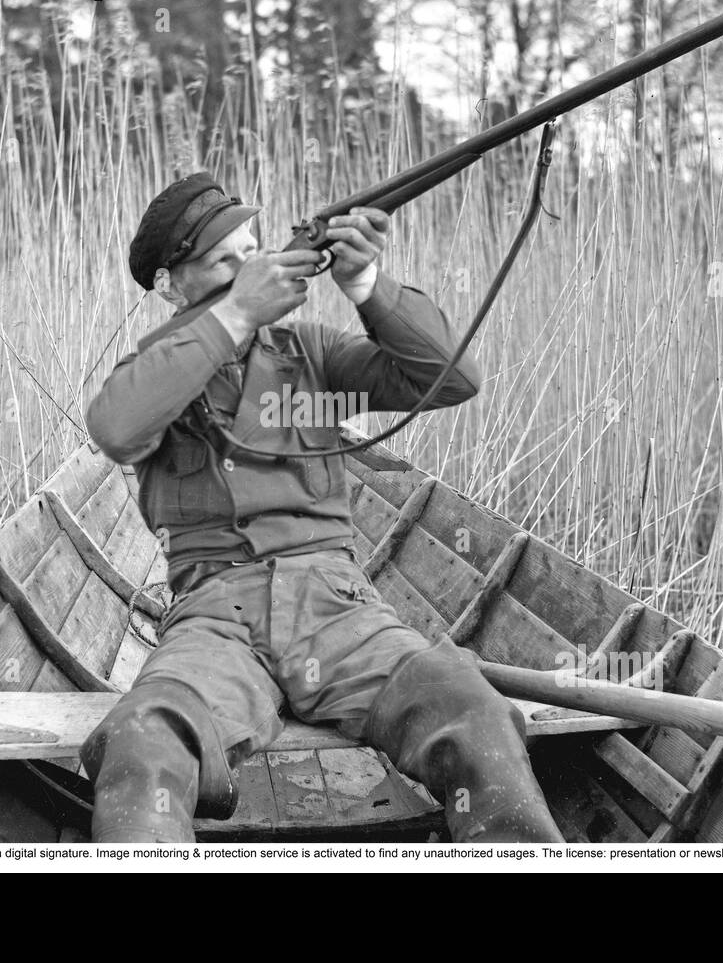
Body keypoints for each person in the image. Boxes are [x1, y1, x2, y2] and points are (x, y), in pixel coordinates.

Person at [82, 172, 563, 843]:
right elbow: (114, 427)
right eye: (223, 262)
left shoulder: (310, 354)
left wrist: (367, 285)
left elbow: (451, 378)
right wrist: (236, 315)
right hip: (214, 621)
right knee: (143, 742)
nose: (246, 270)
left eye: (250, 251)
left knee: (469, 709)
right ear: (169, 283)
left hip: (337, 608)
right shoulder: (158, 366)